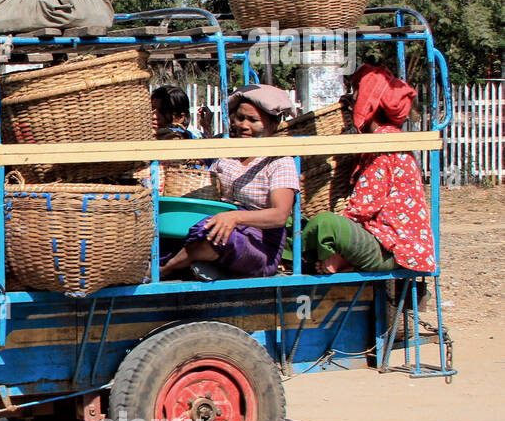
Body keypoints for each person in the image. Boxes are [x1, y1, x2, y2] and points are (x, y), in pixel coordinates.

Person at [301, 64, 435, 274]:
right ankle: (339, 259)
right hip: (385, 241)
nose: (353, 104)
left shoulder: (382, 145)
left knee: (324, 224)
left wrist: (339, 238)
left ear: (369, 104)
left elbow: (363, 206)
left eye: (356, 97)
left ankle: (332, 258)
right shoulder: (385, 138)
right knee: (317, 225)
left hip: (391, 247)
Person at [159, 84, 300, 281]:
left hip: (258, 246)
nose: (243, 125)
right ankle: (189, 263)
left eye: (253, 120)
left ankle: (165, 270)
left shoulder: (279, 162)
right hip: (216, 226)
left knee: (220, 236)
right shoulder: (227, 156)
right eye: (240, 118)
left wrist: (235, 218)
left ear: (273, 124)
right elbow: (207, 189)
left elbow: (279, 216)